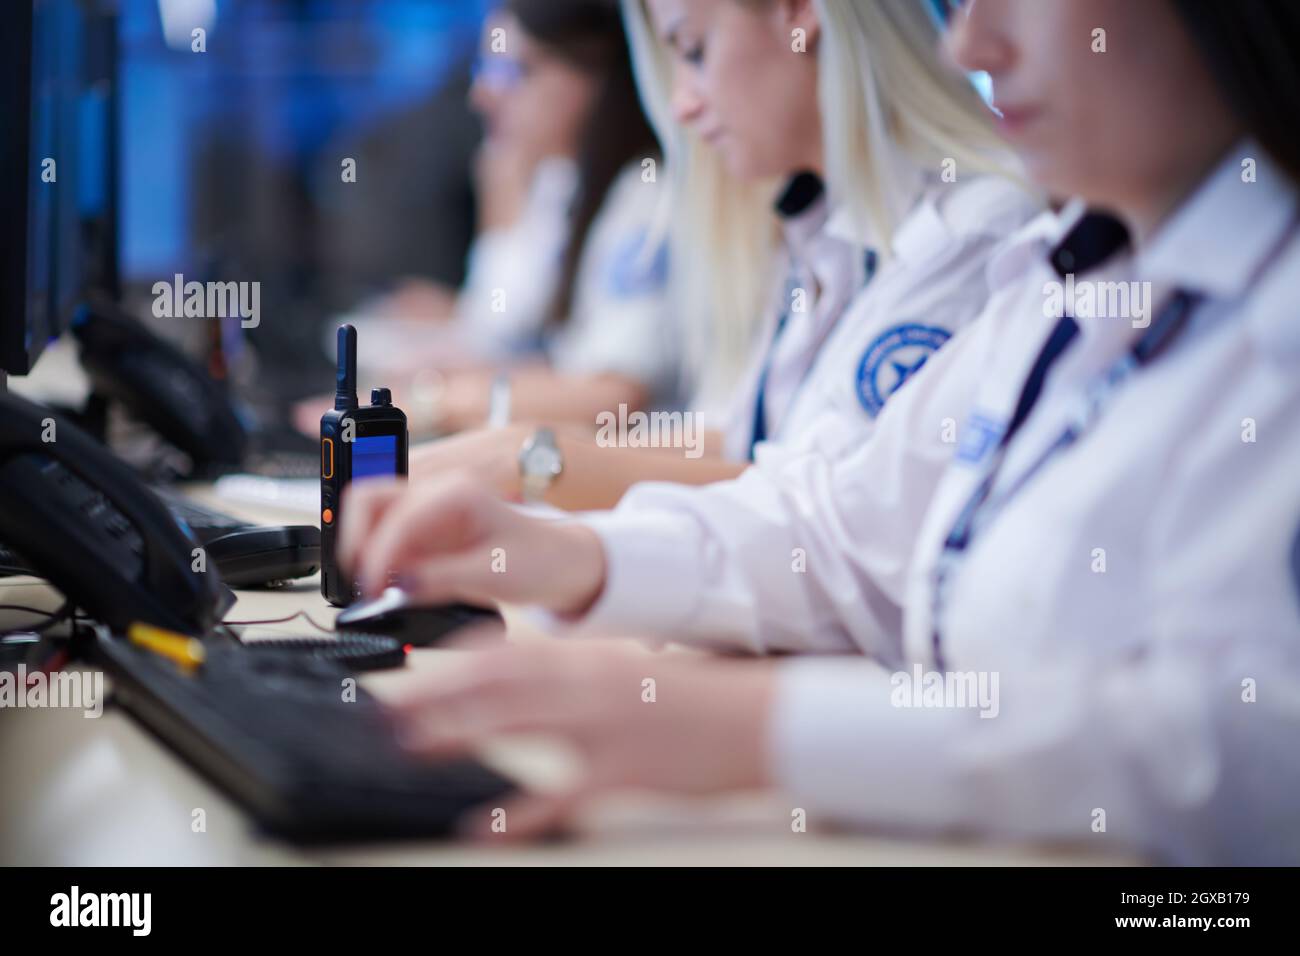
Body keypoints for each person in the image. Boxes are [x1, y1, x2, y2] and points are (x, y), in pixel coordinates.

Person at [337, 0, 1300, 864]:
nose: (971, 41)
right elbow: (842, 519)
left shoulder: (994, 235)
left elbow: (1241, 751)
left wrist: (764, 732)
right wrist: (573, 555)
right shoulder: (1062, 275)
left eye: (696, 51)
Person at [404, 0, 1040, 510]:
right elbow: (735, 439)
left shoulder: (971, 230)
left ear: (799, 13)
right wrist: (521, 452)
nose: (681, 104)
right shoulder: (818, 224)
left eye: (695, 51)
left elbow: (827, 512)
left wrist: (535, 458)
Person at [295, 0, 675, 437]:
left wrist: (433, 400)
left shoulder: (644, 198)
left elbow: (612, 396)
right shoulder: (561, 182)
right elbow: (521, 342)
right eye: (485, 69)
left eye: (515, 72)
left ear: (596, 77)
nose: (484, 94)